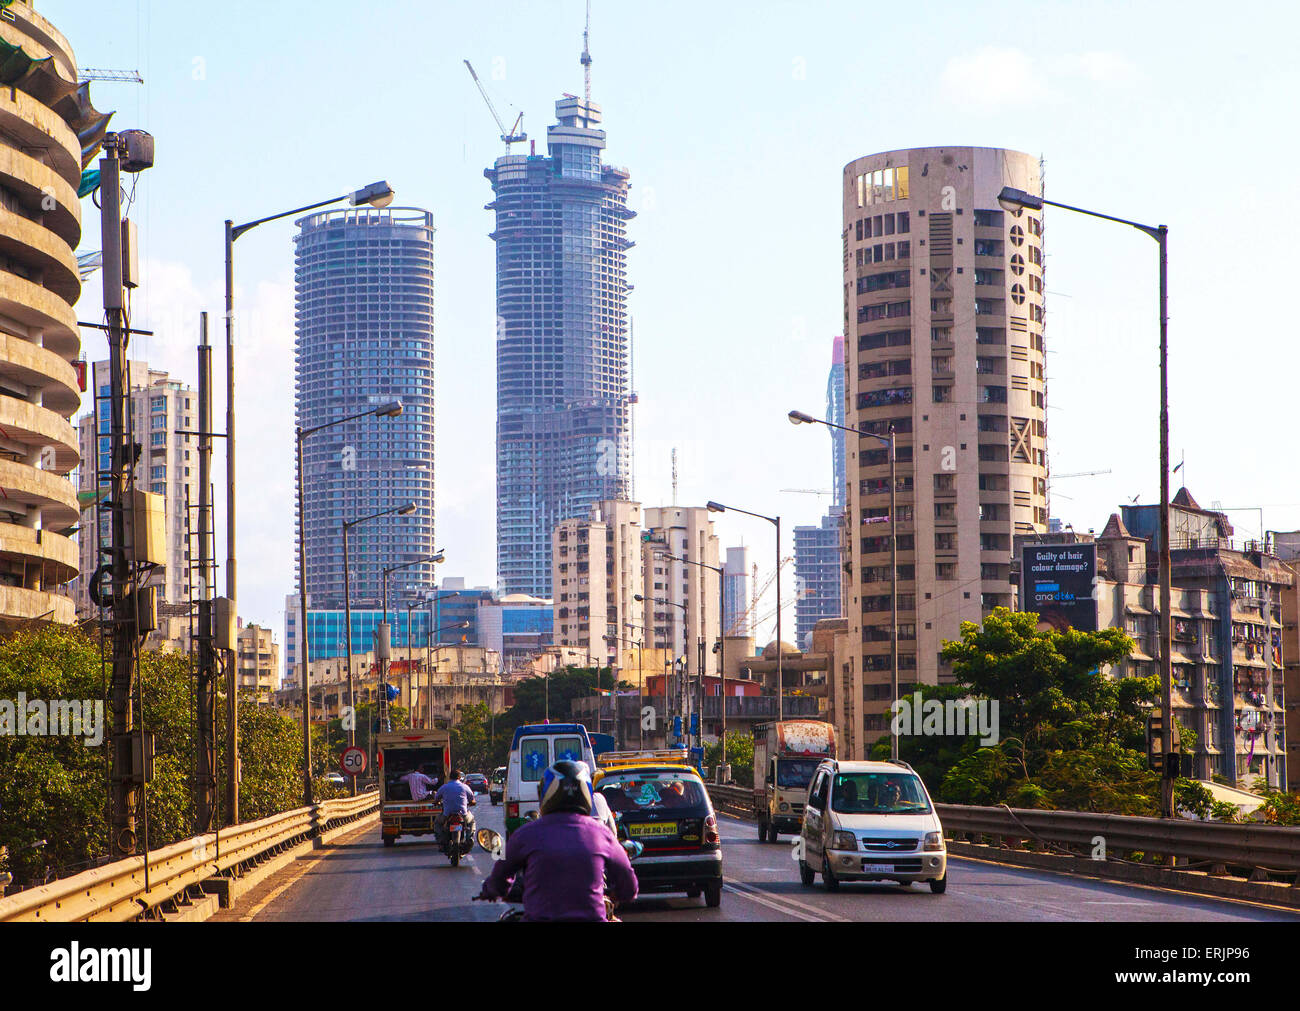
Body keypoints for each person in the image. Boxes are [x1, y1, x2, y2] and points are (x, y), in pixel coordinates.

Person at [479, 760, 638, 922]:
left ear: (544, 793)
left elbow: (499, 879)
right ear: (586, 793)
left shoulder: (525, 834)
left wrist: (491, 889)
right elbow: (629, 887)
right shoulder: (602, 834)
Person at [433, 769, 477, 844]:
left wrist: (436, 802)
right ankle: (469, 838)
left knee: (437, 822)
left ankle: (440, 840)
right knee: (472, 821)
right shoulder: (465, 787)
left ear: (450, 777)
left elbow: (436, 798)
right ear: (459, 777)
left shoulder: (444, 787)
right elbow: (472, 800)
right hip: (463, 814)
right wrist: (471, 803)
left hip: (447, 814)